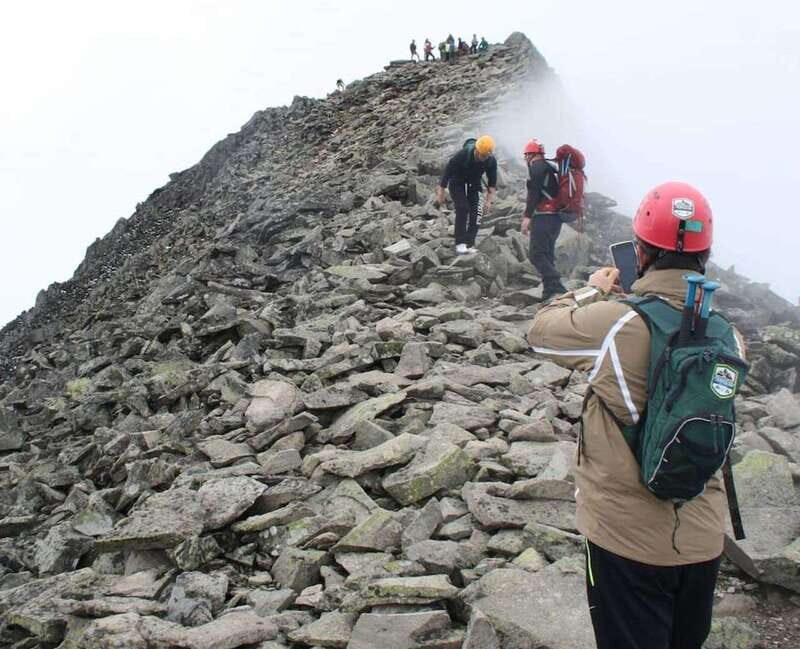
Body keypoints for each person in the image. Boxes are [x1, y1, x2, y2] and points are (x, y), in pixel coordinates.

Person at [527, 181, 746, 649]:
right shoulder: (730, 337)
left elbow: (540, 332)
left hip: (623, 540)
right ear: (705, 253)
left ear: (641, 251)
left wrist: (591, 291)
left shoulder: (620, 320)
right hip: (704, 539)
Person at [520, 139, 567, 300]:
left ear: (531, 155)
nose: (526, 159)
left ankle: (556, 282)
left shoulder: (537, 167)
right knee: (547, 254)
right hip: (555, 218)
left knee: (536, 254)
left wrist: (527, 217)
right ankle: (550, 291)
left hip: (544, 217)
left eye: (526, 155)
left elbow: (534, 193)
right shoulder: (548, 168)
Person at [436, 136, 497, 254]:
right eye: (482, 155)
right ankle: (460, 243)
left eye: (486, 156)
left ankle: (469, 244)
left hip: (474, 183)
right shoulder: (463, 155)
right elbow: (446, 173)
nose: (484, 159)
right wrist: (441, 193)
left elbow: (492, 183)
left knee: (478, 212)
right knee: (463, 208)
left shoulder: (490, 160)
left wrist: (488, 201)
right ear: (477, 150)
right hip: (457, 182)